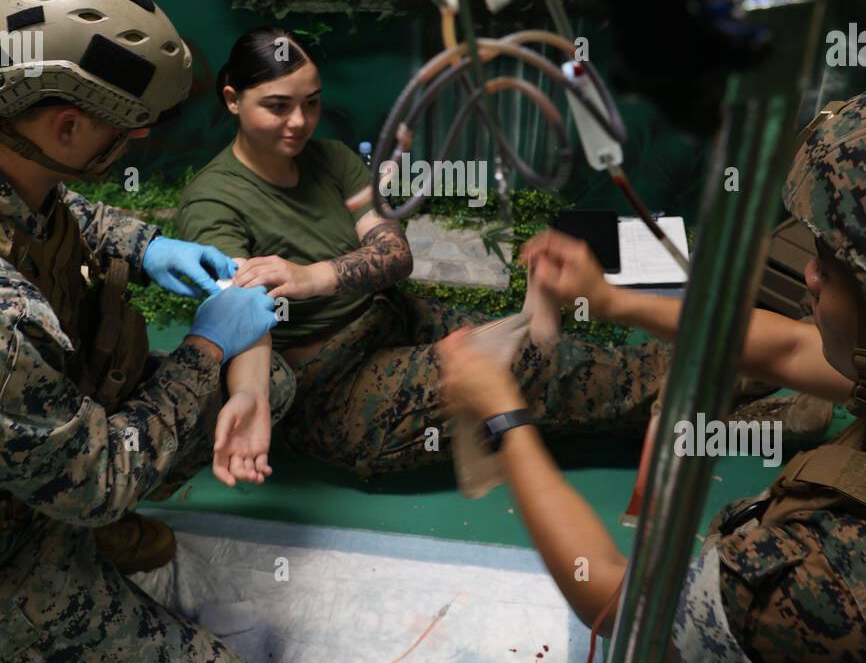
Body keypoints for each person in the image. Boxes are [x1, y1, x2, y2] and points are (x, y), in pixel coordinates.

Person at [436, 92, 866, 663]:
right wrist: (614, 299)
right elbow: (792, 348)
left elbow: (612, 601)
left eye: (831, 261)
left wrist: (503, 414)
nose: (810, 275)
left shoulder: (825, 572)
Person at [178, 27, 830, 483]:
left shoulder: (330, 156)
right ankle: (741, 390)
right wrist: (251, 401)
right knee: (533, 375)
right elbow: (243, 327)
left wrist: (314, 275)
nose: (299, 122)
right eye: (277, 107)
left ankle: (724, 386)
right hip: (331, 387)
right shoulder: (214, 204)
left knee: (545, 344)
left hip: (388, 314)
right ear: (232, 100)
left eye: (311, 103)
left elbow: (393, 251)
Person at [0, 0, 294, 663]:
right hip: (44, 508)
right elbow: (100, 475)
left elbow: (58, 210)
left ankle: (83, 545)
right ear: (64, 127)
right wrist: (205, 347)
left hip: (42, 451)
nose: (134, 144)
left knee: (271, 382)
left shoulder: (14, 138)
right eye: (124, 134)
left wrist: (143, 245)